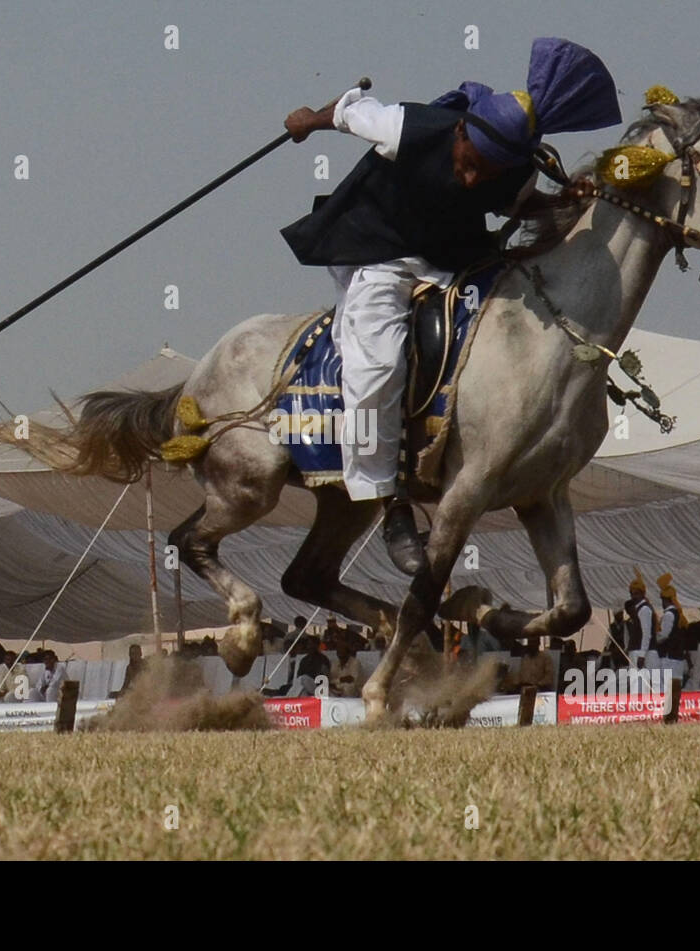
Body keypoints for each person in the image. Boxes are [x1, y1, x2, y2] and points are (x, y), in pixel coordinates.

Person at [280, 41, 618, 575]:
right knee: (378, 365)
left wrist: (562, 202)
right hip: (379, 252)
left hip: (451, 256)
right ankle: (387, 502)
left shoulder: (510, 168)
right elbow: (347, 112)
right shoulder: (408, 127)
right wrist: (309, 119)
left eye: (485, 174)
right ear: (460, 132)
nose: (471, 180)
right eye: (468, 166)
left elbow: (518, 204)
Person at [624, 569, 658, 661]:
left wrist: (642, 655)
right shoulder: (639, 609)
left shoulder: (644, 609)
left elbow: (646, 633)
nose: (634, 596)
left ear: (643, 593)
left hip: (641, 652)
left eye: (637, 593)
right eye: (632, 594)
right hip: (638, 651)